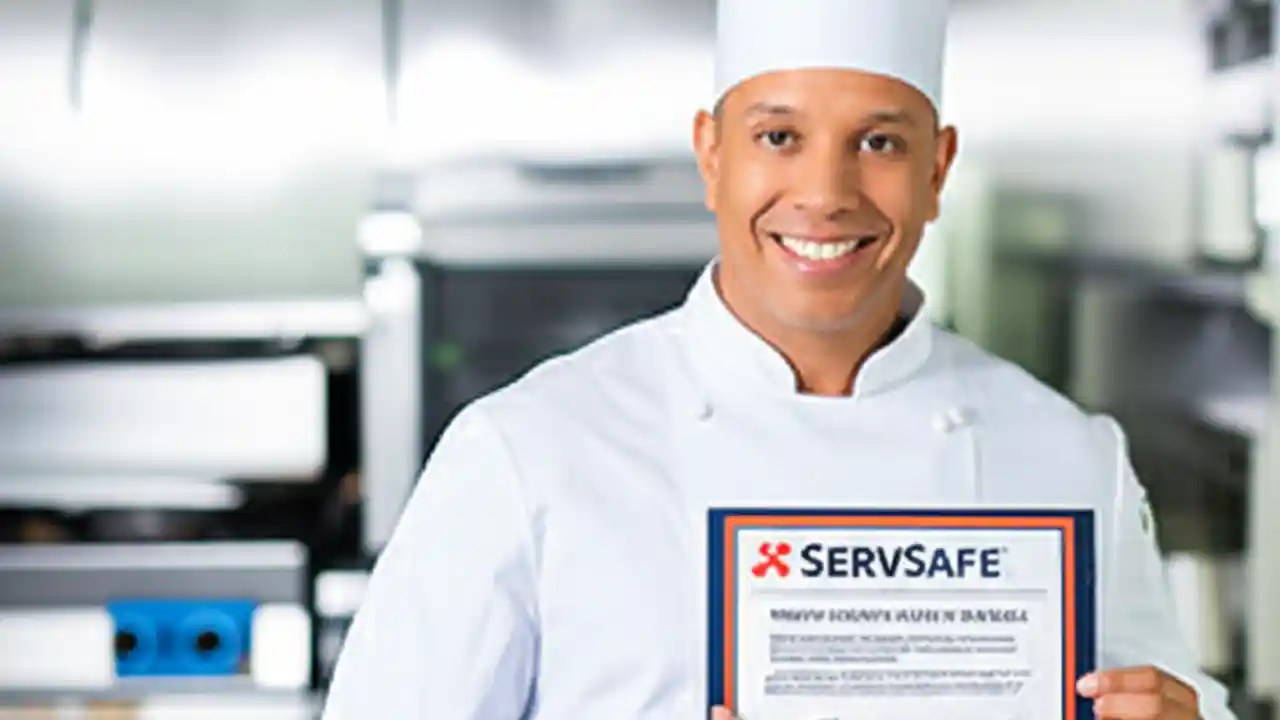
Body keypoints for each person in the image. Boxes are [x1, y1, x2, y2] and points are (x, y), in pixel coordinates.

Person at [323, 1, 1236, 718]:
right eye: (778, 137)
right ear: (712, 155)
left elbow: (1176, 700)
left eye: (878, 143)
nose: (825, 194)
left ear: (938, 170)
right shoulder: (526, 453)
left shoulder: (1068, 458)